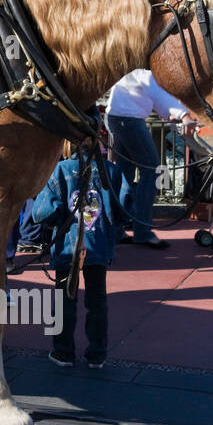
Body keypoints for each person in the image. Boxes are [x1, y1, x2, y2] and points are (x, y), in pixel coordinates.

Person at [30, 150, 133, 369]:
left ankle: (63, 352)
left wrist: (60, 221)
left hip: (67, 246)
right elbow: (124, 208)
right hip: (98, 245)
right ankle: (97, 354)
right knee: (97, 301)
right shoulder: (111, 170)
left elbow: (41, 212)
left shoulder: (60, 169)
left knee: (63, 300)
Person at [105, 69, 192, 248]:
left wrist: (167, 112)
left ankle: (116, 230)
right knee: (151, 171)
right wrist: (184, 115)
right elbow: (157, 93)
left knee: (125, 175)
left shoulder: (128, 70)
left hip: (117, 118)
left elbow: (150, 94)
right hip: (130, 121)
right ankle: (142, 231)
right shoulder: (144, 72)